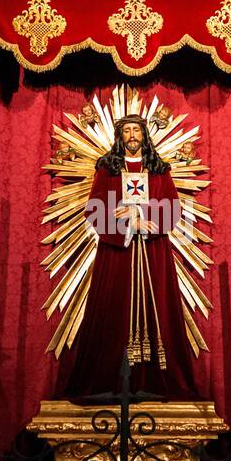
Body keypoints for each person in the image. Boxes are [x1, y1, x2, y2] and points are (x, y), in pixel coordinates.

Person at [62, 114, 196, 399]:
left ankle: (155, 381)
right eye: (127, 131)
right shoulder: (107, 169)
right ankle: (108, 380)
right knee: (114, 306)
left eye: (137, 130)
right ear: (119, 136)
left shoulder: (159, 169)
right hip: (117, 254)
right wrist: (126, 224)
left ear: (144, 136)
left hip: (153, 253)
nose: (132, 135)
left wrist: (142, 216)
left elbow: (173, 209)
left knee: (157, 307)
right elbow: (94, 208)